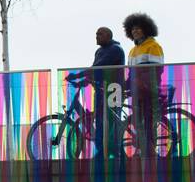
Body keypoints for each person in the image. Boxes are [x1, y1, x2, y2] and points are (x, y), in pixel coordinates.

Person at [68, 28, 126, 158]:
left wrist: (77, 76)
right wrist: (82, 81)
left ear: (108, 35)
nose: (96, 36)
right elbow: (95, 72)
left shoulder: (115, 49)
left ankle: (116, 151)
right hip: (100, 89)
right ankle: (102, 151)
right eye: (96, 34)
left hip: (113, 88)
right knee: (100, 121)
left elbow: (97, 67)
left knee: (111, 121)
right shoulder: (99, 51)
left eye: (100, 34)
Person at [122, 12, 164, 155]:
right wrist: (125, 86)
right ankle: (143, 148)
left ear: (146, 29)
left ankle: (151, 150)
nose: (135, 31)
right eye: (133, 29)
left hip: (149, 90)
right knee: (137, 121)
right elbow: (130, 74)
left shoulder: (153, 46)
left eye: (138, 28)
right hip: (137, 91)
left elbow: (156, 70)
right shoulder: (133, 51)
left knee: (148, 121)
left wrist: (141, 82)